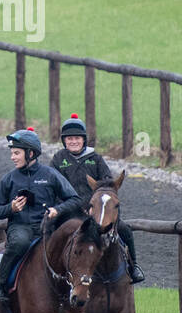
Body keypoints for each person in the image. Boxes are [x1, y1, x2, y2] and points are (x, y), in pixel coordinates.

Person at [0, 129, 83, 302]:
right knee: (20, 242)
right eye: (12, 153)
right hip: (20, 228)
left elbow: (75, 199)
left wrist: (57, 210)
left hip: (47, 228)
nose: (12, 157)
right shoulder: (8, 179)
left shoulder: (51, 175)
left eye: (17, 153)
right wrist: (12, 208)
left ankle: (77, 289)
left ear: (30, 153)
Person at [50, 114, 143, 283]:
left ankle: (133, 267)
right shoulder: (58, 159)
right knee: (54, 231)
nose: (73, 142)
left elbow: (108, 184)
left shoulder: (95, 159)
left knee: (124, 230)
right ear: (64, 141)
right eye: (69, 139)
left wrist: (94, 207)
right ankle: (53, 269)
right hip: (68, 211)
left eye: (77, 138)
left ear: (83, 140)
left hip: (96, 211)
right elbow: (53, 186)